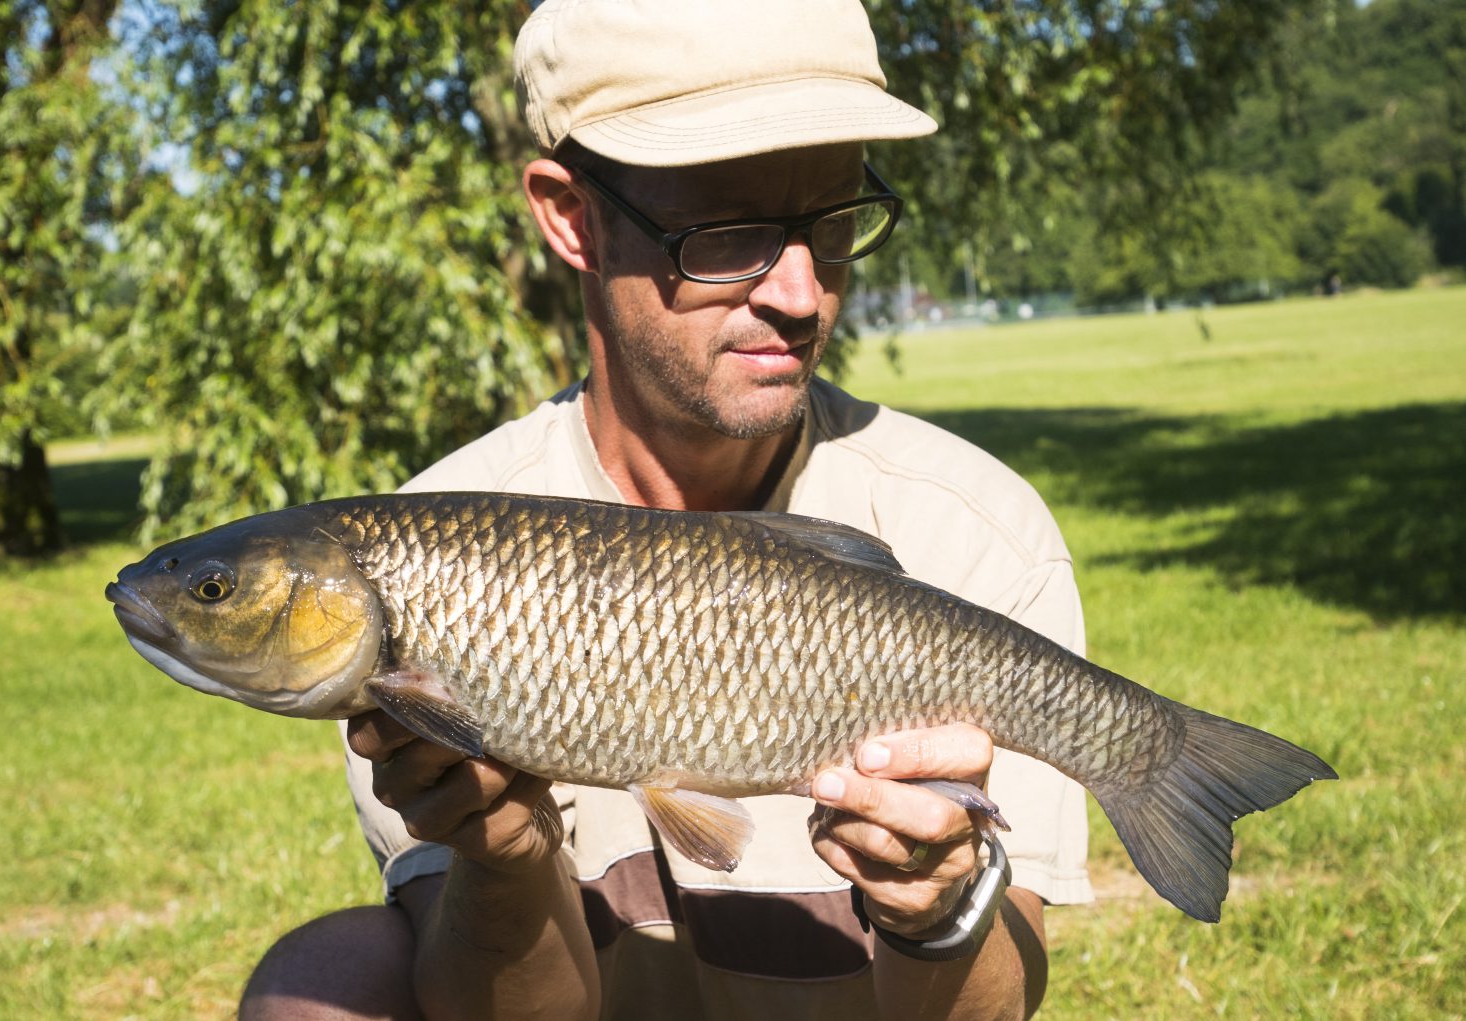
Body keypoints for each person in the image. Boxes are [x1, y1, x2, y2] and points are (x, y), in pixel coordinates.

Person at [240, 1, 1091, 1018]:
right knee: (322, 982)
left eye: (830, 222)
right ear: (571, 217)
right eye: (726, 234)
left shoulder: (973, 531)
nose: (801, 290)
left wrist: (934, 907)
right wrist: (506, 857)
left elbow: (996, 1013)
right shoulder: (424, 568)